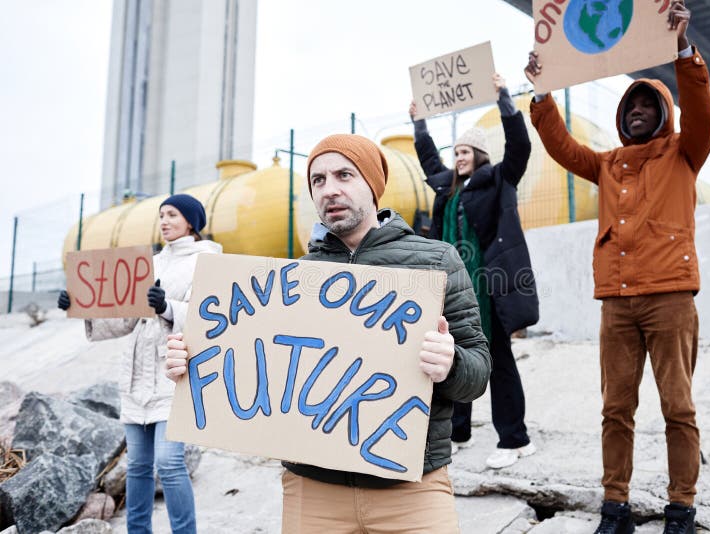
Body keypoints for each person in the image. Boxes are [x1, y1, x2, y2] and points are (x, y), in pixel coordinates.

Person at [164, 134, 491, 533]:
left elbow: (477, 372)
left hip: (412, 488)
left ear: (372, 184)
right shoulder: (291, 279)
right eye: (317, 180)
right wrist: (191, 362)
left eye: (344, 175)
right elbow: (251, 368)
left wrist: (452, 363)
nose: (329, 189)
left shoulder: (437, 261)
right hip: (312, 491)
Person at [524, 1, 710, 533]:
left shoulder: (685, 152)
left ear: (663, 115)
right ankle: (616, 507)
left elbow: (703, 109)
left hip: (670, 298)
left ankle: (682, 507)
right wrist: (542, 93)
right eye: (628, 106)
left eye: (645, 104)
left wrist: (681, 49)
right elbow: (561, 147)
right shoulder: (606, 166)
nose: (635, 110)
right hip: (616, 303)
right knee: (615, 410)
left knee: (678, 406)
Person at [58, 193, 222, 534]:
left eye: (172, 215)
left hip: (173, 375)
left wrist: (168, 308)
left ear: (191, 221)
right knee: (138, 467)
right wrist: (80, 305)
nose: (164, 221)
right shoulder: (152, 262)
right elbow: (126, 320)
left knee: (170, 463)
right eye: (161, 215)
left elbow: (212, 318)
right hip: (135, 377)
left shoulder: (208, 262)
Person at [409, 72, 539, 469]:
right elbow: (430, 160)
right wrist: (419, 125)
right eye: (457, 152)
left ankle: (515, 439)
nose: (459, 157)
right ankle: (459, 432)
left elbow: (520, 145)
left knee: (498, 360)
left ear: (480, 155)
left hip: (490, 289)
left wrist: (504, 100)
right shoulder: (447, 189)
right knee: (455, 360)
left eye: (466, 151)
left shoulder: (499, 178)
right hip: (453, 291)